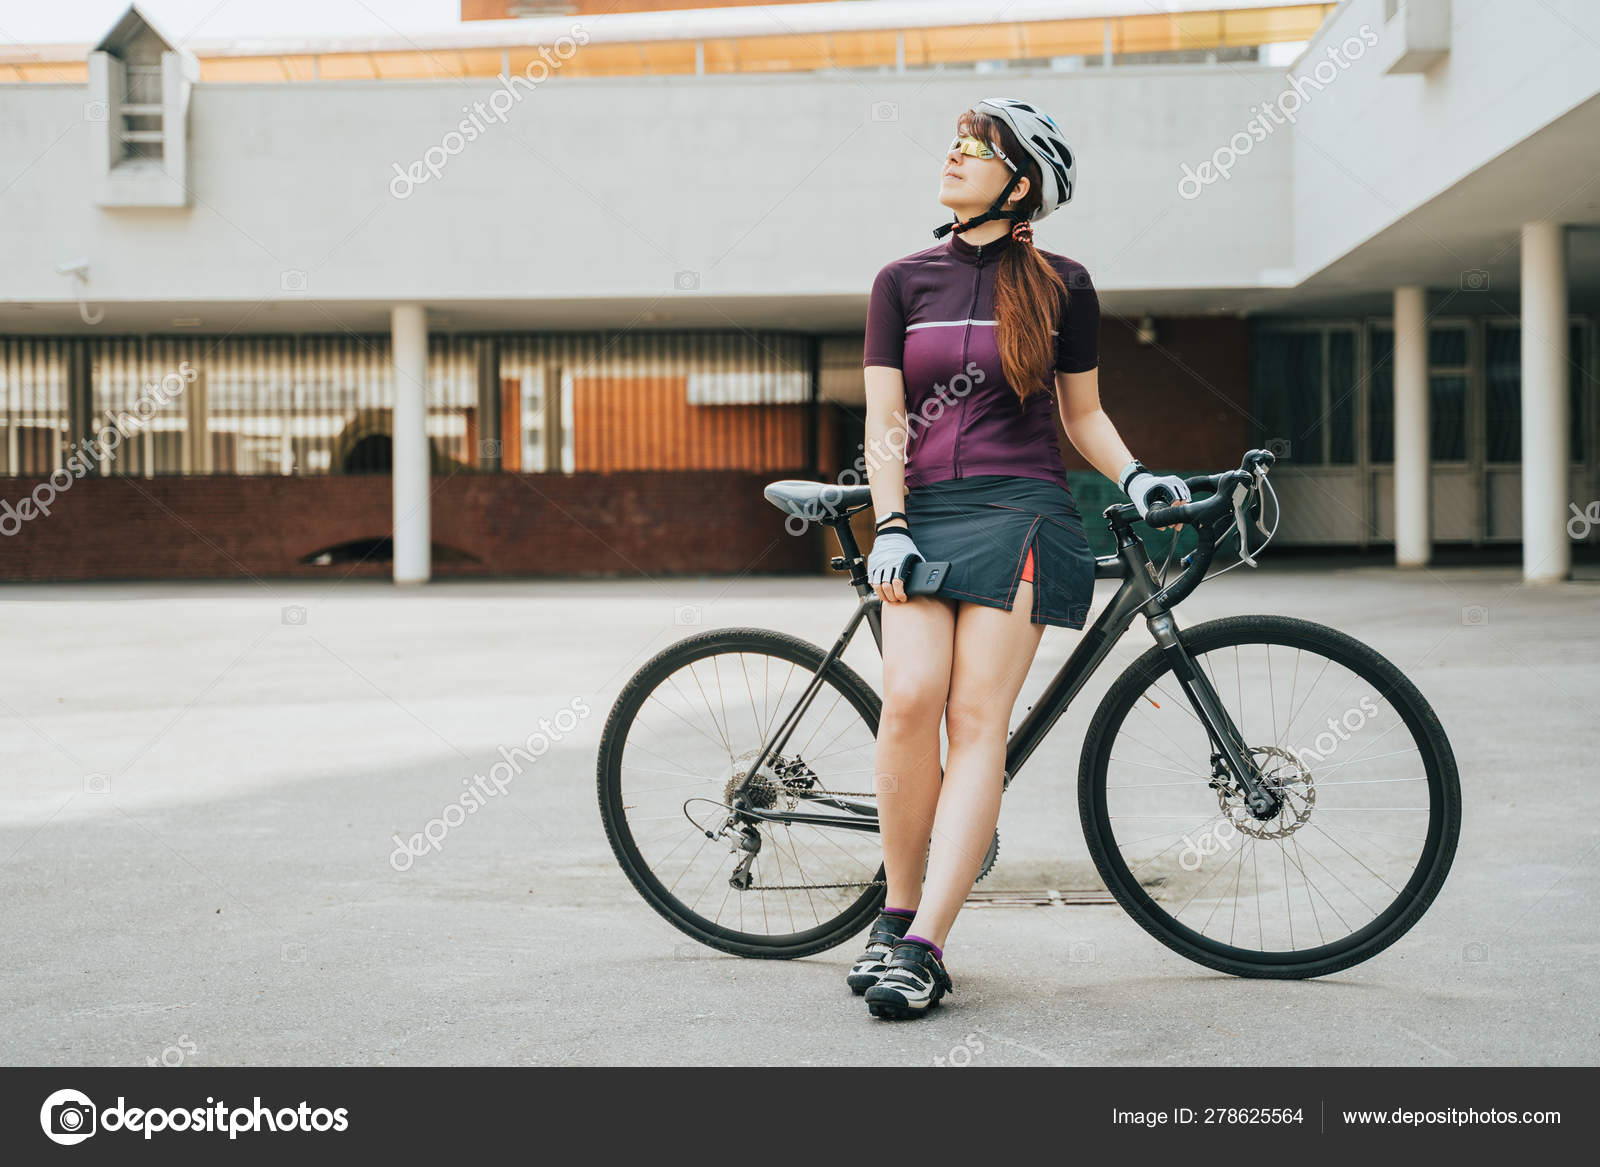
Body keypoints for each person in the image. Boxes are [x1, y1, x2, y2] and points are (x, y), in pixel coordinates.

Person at [851, 98, 1190, 1020]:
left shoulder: (1063, 285)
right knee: (909, 698)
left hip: (1023, 510)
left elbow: (1082, 416)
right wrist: (889, 522)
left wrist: (1137, 475)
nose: (955, 157)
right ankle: (895, 906)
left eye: (978, 149)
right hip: (921, 517)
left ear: (1022, 182)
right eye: (956, 144)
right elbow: (886, 423)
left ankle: (923, 945)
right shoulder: (900, 283)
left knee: (974, 717)